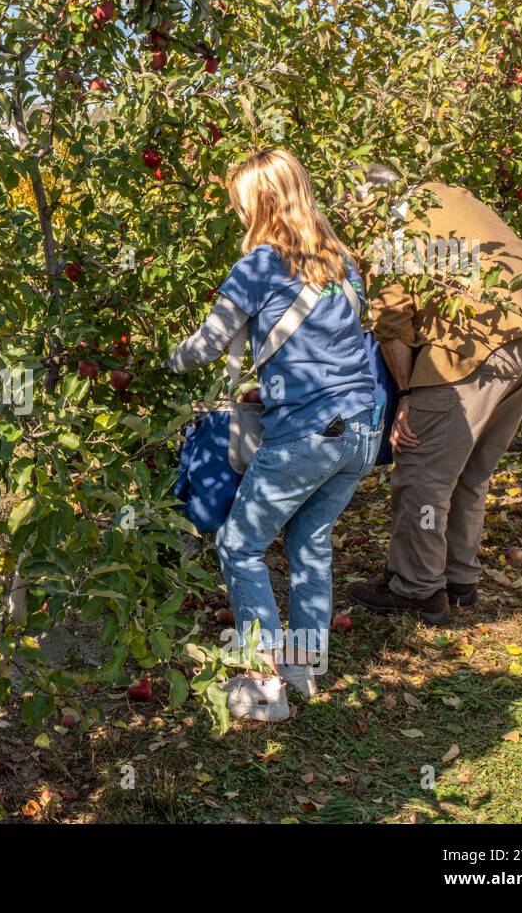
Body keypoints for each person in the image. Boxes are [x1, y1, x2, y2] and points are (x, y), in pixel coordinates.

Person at [166, 150, 380, 722]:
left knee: (239, 544)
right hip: (362, 429)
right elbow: (333, 351)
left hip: (309, 435)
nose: (236, 210)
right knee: (309, 545)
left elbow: (206, 346)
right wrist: (278, 386)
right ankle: (302, 669)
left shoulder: (259, 265)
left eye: (240, 199)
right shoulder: (341, 263)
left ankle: (263, 685)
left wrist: (167, 360)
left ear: (258, 202)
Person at [346, 176, 522, 622]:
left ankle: (418, 589)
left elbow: (392, 321)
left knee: (424, 469)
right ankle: (458, 576)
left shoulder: (386, 227)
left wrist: (405, 396)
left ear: (364, 203)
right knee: (472, 464)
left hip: (480, 336)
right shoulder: (442, 194)